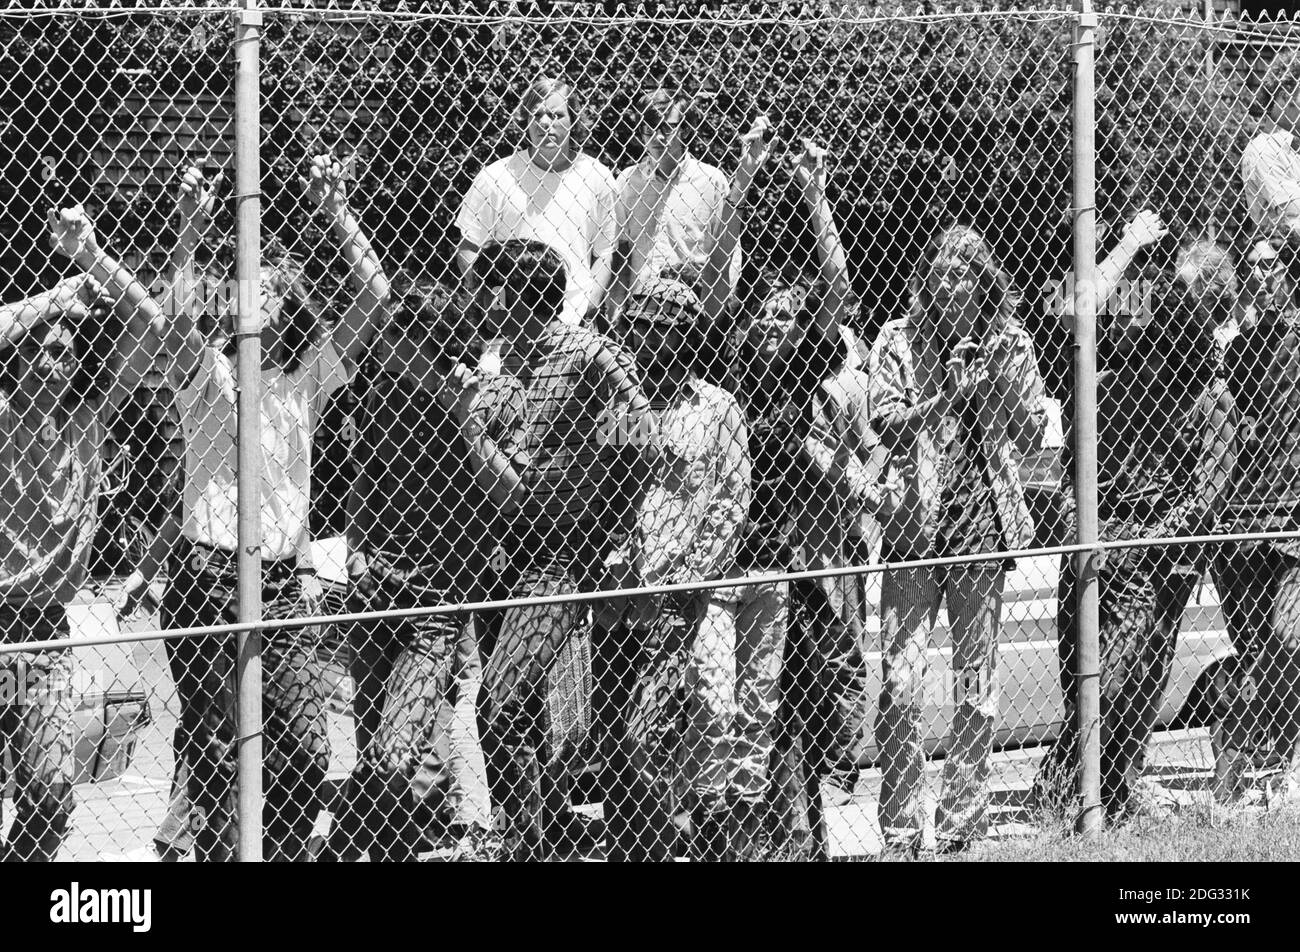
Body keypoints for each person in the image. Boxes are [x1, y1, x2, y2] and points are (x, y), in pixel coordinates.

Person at [157, 157, 385, 861]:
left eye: (271, 293)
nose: (254, 303)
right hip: (209, 574)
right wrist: (189, 232)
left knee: (305, 746)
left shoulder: (307, 374)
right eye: (246, 295)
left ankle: (276, 852)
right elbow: (168, 318)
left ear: (290, 304)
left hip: (282, 580)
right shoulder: (211, 370)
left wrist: (338, 210)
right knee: (218, 749)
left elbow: (376, 297)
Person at [447, 238, 657, 860]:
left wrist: (609, 517)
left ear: (517, 294)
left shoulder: (589, 355)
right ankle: (538, 834)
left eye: (490, 286)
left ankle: (524, 844)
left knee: (500, 701)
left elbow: (643, 439)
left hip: (559, 556)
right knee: (523, 708)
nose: (480, 299)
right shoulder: (495, 360)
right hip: (495, 556)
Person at [1035, 224, 1239, 821]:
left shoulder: (1209, 391)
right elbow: (1075, 310)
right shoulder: (1127, 350)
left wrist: (1148, 541)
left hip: (1156, 543)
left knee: (1139, 671)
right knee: (1090, 664)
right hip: (1105, 529)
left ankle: (1109, 785)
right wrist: (1125, 245)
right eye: (1172, 290)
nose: (1173, 304)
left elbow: (1204, 497)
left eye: (1190, 299)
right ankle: (1079, 784)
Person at [323, 276, 524, 862]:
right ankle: (396, 846)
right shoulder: (380, 395)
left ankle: (374, 842)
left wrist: (465, 420)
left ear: (426, 342)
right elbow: (364, 474)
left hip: (436, 599)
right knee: (372, 745)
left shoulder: (479, 396)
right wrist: (357, 547)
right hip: (374, 588)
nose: (380, 346)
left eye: (394, 338)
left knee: (396, 751)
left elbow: (505, 494)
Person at [868, 224, 1048, 855]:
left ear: (982, 283)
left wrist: (993, 381)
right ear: (928, 282)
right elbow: (884, 423)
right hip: (914, 531)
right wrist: (944, 394)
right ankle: (899, 830)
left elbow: (1030, 439)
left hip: (981, 529)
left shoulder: (1011, 342)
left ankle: (960, 825)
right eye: (940, 272)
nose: (950, 283)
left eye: (963, 274)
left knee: (975, 687)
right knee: (901, 685)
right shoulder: (898, 337)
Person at [0, 204, 169, 860]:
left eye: (70, 344)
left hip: (44, 632)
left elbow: (151, 322)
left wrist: (92, 256)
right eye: (45, 341)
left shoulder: (87, 422)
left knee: (49, 796)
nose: (58, 351)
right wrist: (52, 299)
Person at [1210, 231, 1300, 806]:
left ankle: (1284, 765)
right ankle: (1247, 765)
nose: (1263, 274)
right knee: (1257, 646)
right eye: (1254, 266)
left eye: (1275, 265)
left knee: (1291, 639)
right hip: (1243, 515)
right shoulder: (1237, 348)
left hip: (1292, 515)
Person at [456, 76, 618, 326]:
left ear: (573, 120)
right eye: (536, 114)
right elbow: (469, 248)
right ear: (526, 121)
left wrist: (589, 307)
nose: (544, 123)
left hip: (575, 326)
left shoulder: (597, 177)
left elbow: (605, 253)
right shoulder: (495, 177)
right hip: (510, 326)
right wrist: (498, 309)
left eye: (555, 115)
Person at [608, 87, 742, 318]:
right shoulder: (628, 181)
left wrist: (715, 310)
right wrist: (616, 306)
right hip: (640, 310)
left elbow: (729, 252)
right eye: (650, 128)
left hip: (694, 308)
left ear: (685, 130)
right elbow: (620, 250)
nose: (659, 137)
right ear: (640, 132)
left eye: (668, 127)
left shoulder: (711, 181)